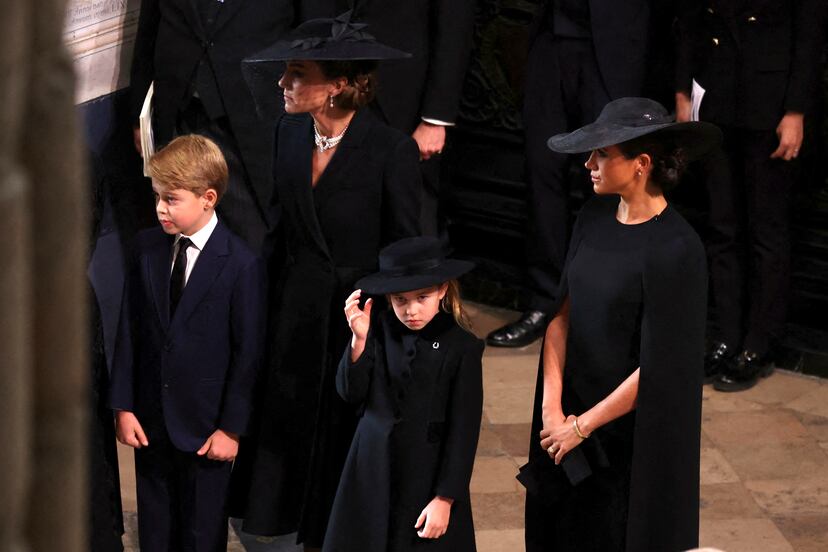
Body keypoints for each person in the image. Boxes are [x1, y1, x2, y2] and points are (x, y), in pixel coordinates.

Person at [228, 13, 422, 549]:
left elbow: (404, 249)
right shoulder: (287, 135)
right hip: (294, 308)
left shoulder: (390, 150)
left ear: (338, 84)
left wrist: (384, 331)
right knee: (285, 420)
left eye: (296, 73)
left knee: (337, 432)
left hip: (353, 317)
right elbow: (276, 229)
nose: (282, 84)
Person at [518, 98, 719, 551]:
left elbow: (663, 367)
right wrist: (552, 410)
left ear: (641, 164)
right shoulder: (591, 217)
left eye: (602, 154)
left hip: (629, 437)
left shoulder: (677, 249)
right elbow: (560, 317)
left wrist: (584, 426)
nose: (588, 163)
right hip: (568, 417)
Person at [109, 135, 266, 551]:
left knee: (201, 534)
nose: (160, 208)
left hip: (206, 428)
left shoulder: (240, 264)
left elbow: (247, 354)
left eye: (171, 199)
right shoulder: (145, 248)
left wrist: (231, 428)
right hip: (152, 421)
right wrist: (124, 405)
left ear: (208, 198)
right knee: (155, 533)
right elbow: (130, 331)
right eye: (157, 196)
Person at [674, 0, 828, 391]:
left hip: (771, 107)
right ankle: (727, 335)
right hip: (714, 97)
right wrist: (681, 94)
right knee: (722, 227)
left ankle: (760, 343)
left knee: (766, 232)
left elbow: (809, 40)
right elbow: (687, 22)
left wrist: (796, 112)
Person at [486, 0, 653, 348]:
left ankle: (600, 311)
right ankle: (543, 304)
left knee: (608, 182)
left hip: (615, 46)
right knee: (542, 174)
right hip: (552, 39)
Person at [323, 236, 483, 552]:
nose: (411, 310)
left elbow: (463, 430)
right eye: (400, 300)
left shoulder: (462, 347)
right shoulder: (377, 330)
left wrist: (445, 497)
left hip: (423, 476)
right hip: (370, 468)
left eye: (422, 297)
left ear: (443, 290)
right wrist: (359, 341)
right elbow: (350, 392)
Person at [129, 0, 298, 252]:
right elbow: (149, 29)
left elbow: (314, 27)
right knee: (182, 237)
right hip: (179, 109)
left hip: (253, 117)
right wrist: (137, 117)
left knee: (251, 237)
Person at [300, 0, 476, 235]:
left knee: (411, 224)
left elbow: (455, 22)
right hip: (328, 80)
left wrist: (435, 118)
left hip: (404, 100)